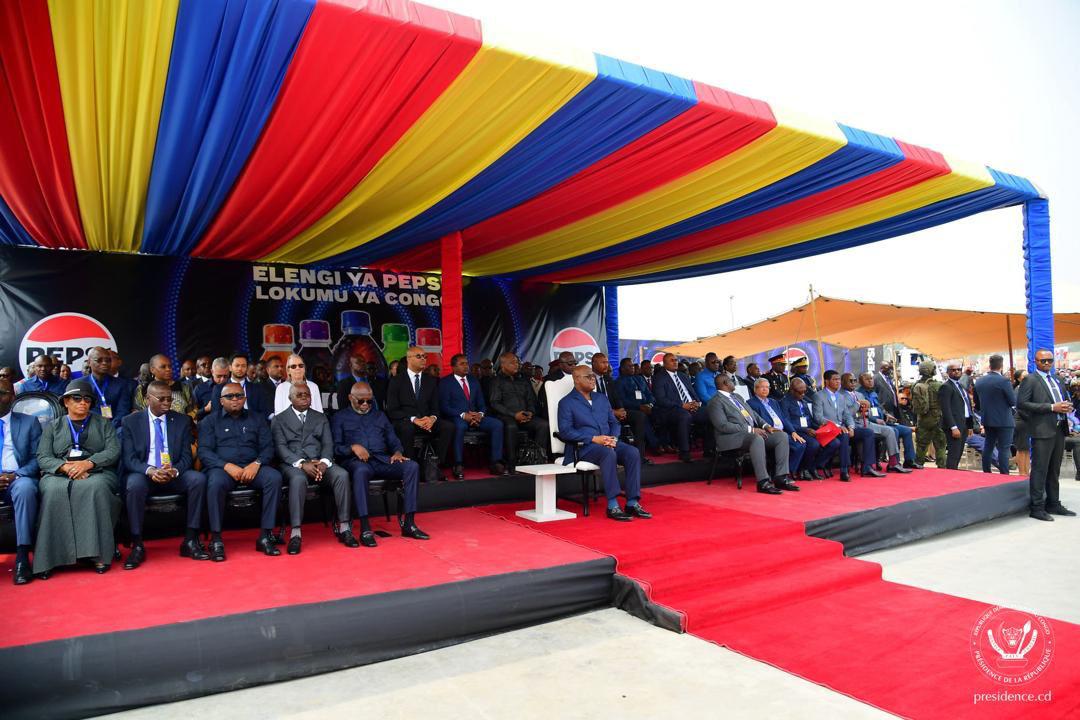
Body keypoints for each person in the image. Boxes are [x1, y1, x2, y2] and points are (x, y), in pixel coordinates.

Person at [34, 379, 121, 576]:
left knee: (95, 488)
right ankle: (51, 559)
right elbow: (43, 457)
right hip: (60, 472)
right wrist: (64, 467)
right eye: (77, 398)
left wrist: (88, 464)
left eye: (87, 399)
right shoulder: (52, 427)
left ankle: (97, 555)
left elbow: (113, 450)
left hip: (97, 471)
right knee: (53, 490)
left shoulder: (103, 424)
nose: (83, 402)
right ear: (66, 401)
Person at [119, 379, 209, 569]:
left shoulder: (182, 421)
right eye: (162, 399)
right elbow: (129, 459)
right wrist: (150, 470)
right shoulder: (130, 422)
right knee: (133, 485)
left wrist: (175, 470)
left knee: (198, 480)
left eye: (169, 399)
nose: (167, 403)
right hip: (145, 473)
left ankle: (191, 540)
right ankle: (137, 544)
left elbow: (186, 457)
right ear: (147, 399)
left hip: (173, 473)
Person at [332, 381, 430, 546]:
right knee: (361, 471)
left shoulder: (380, 416)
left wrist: (398, 452)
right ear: (350, 398)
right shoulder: (339, 418)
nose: (365, 404)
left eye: (369, 401)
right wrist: (352, 448)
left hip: (382, 460)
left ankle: (410, 524)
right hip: (356, 462)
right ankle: (365, 528)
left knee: (412, 466)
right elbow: (335, 448)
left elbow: (393, 441)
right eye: (360, 401)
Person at [198, 382, 284, 559]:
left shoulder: (257, 418)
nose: (235, 399)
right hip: (223, 468)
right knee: (214, 483)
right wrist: (226, 466)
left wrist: (257, 463)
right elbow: (204, 452)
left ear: (245, 398)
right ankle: (216, 539)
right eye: (229, 396)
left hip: (253, 467)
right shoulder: (209, 421)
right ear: (221, 401)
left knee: (274, 478)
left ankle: (265, 535)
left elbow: (268, 447)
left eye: (239, 395)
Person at [557, 365, 649, 521]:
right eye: (588, 376)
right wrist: (593, 439)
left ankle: (632, 502)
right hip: (584, 447)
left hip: (608, 442)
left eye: (593, 376)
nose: (593, 379)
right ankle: (612, 505)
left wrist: (613, 438)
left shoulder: (601, 398)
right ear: (577, 379)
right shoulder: (566, 402)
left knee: (632, 453)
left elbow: (614, 423)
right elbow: (565, 431)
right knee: (608, 453)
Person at [271, 382, 353, 553]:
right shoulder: (279, 419)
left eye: (307, 395)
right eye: (299, 395)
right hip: (293, 464)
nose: (304, 398)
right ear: (290, 398)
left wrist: (324, 462)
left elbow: (327, 444)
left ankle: (345, 527)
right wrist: (301, 464)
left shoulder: (320, 417)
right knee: (298, 479)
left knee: (342, 475)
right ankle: (296, 533)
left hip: (319, 462)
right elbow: (280, 448)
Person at [710, 374, 795, 494]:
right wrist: (750, 429)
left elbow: (753, 414)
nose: (733, 382)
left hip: (749, 434)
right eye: (731, 381)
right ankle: (763, 482)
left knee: (781, 436)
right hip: (730, 438)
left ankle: (781, 477)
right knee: (756, 438)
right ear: (725, 383)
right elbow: (723, 426)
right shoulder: (715, 402)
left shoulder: (737, 397)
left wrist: (766, 426)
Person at [1017, 349, 1075, 521]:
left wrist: (1066, 408)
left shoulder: (1057, 379)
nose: (1047, 363)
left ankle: (1054, 503)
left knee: (1054, 469)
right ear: (1036, 362)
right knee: (1040, 470)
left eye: (1050, 360)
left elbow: (1062, 399)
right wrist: (1051, 407)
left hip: (1059, 428)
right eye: (1043, 361)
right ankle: (1036, 507)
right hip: (1042, 430)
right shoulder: (1030, 380)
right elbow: (1022, 404)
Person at [0, 377, 42, 584]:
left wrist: (15, 475)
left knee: (26, 489)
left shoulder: (29, 422)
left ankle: (23, 557)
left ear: (13, 396)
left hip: (17, 478)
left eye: (3, 393)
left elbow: (38, 459)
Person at [439, 354, 508, 478]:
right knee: (459, 427)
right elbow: (444, 406)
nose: (466, 366)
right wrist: (462, 415)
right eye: (462, 364)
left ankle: (495, 462)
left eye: (466, 363)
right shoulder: (445, 382)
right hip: (457, 417)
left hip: (476, 417)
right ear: (453, 367)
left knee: (497, 424)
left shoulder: (473, 380)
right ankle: (458, 464)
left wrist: (480, 414)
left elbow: (482, 403)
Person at [384, 346, 452, 470]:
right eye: (419, 356)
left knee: (448, 427)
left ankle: (435, 464)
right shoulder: (396, 381)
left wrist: (432, 418)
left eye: (425, 356)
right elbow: (392, 410)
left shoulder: (431, 380)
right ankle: (413, 467)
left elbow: (435, 408)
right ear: (409, 358)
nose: (423, 359)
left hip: (427, 421)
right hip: (406, 420)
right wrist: (414, 419)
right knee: (406, 429)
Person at [489, 352, 549, 468]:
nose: (517, 365)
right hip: (506, 416)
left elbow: (531, 399)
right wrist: (514, 414)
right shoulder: (496, 381)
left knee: (543, 425)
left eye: (517, 362)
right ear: (503, 365)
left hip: (525, 415)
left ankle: (537, 459)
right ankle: (512, 463)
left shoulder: (524, 380)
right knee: (511, 427)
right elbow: (494, 403)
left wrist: (531, 412)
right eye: (512, 363)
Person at [811, 370, 873, 481]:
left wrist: (851, 427)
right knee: (844, 435)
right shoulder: (818, 396)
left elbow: (847, 415)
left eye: (839, 379)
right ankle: (844, 470)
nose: (838, 382)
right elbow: (818, 417)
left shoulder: (841, 397)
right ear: (826, 381)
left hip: (842, 428)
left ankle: (867, 467)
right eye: (835, 379)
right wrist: (836, 426)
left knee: (867, 432)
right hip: (827, 429)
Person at [591, 353, 653, 462]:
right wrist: (613, 412)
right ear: (594, 363)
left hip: (615, 412)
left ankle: (639, 455)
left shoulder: (608, 379)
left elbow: (617, 398)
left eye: (607, 362)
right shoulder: (590, 379)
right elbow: (592, 404)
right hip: (599, 414)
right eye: (603, 362)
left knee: (640, 416)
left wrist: (622, 410)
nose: (606, 365)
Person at [782, 377, 845, 480]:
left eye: (804, 391)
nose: (803, 394)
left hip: (809, 430)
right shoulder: (785, 402)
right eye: (800, 392)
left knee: (835, 443)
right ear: (792, 390)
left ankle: (814, 466)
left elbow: (810, 420)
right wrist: (806, 430)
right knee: (813, 444)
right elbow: (786, 421)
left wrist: (819, 427)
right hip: (797, 431)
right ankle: (804, 468)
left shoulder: (803, 401)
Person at [652, 353, 710, 462]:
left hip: (691, 406)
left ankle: (709, 449)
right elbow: (661, 400)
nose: (675, 362)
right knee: (684, 416)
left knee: (711, 413)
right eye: (672, 360)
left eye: (676, 360)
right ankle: (684, 452)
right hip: (671, 410)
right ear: (664, 363)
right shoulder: (659, 378)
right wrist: (682, 405)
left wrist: (697, 403)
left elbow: (692, 392)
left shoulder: (683, 376)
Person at [748, 377, 808, 481]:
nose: (765, 389)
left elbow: (783, 418)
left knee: (801, 444)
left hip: (783, 431)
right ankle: (783, 474)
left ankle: (788, 472)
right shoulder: (750, 403)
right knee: (795, 445)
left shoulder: (773, 402)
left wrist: (793, 431)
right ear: (755, 389)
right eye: (762, 387)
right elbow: (756, 421)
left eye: (767, 387)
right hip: (769, 433)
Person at [855, 372, 918, 471]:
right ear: (861, 381)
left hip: (883, 421)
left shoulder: (874, 393)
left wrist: (885, 414)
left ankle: (909, 460)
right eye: (867, 379)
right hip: (872, 422)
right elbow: (862, 413)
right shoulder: (859, 394)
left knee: (906, 430)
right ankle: (893, 462)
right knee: (894, 431)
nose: (870, 381)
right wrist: (875, 419)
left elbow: (879, 407)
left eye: (871, 379)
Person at [839, 373, 891, 477]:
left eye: (854, 381)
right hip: (848, 425)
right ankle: (866, 467)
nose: (853, 383)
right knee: (868, 432)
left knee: (889, 430)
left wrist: (866, 412)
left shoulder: (859, 395)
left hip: (864, 421)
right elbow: (846, 413)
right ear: (843, 382)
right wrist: (858, 404)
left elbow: (867, 411)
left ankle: (891, 462)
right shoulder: (840, 395)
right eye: (850, 381)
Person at [973, 354, 1016, 475]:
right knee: (1004, 448)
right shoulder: (1004, 381)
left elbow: (977, 403)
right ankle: (1004, 474)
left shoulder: (980, 381)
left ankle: (987, 471)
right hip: (1004, 420)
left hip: (987, 419)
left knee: (988, 446)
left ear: (990, 365)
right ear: (1001, 365)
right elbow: (1012, 401)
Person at [940, 362, 981, 469]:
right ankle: (950, 474)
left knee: (959, 452)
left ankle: (955, 473)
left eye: (958, 369)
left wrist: (970, 426)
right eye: (953, 370)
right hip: (954, 425)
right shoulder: (946, 387)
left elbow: (967, 406)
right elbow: (946, 409)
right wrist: (953, 427)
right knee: (954, 453)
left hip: (964, 424)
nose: (956, 371)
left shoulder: (961, 386)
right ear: (948, 372)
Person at [211, 353, 273, 417]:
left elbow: (263, 412)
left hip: (252, 424)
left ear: (247, 368)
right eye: (237, 365)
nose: (240, 369)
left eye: (243, 366)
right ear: (230, 368)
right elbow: (215, 415)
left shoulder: (257, 388)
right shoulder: (219, 389)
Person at [84, 346, 131, 429]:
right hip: (87, 428)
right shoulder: (79, 384)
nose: (104, 363)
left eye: (108, 360)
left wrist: (109, 428)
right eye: (99, 360)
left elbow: (123, 411)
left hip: (114, 429)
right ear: (89, 362)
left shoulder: (121, 384)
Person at [912, 361, 947, 468]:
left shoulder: (915, 385)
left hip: (922, 419)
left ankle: (918, 464)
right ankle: (942, 467)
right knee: (940, 445)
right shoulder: (938, 385)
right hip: (937, 418)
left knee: (921, 445)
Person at [1012, 369, 1031, 475]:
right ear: (1019, 378)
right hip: (1021, 420)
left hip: (1026, 420)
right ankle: (1022, 472)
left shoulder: (1025, 388)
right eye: (1024, 376)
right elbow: (1020, 407)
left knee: (1026, 448)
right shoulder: (1018, 390)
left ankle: (1026, 471)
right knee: (1022, 448)